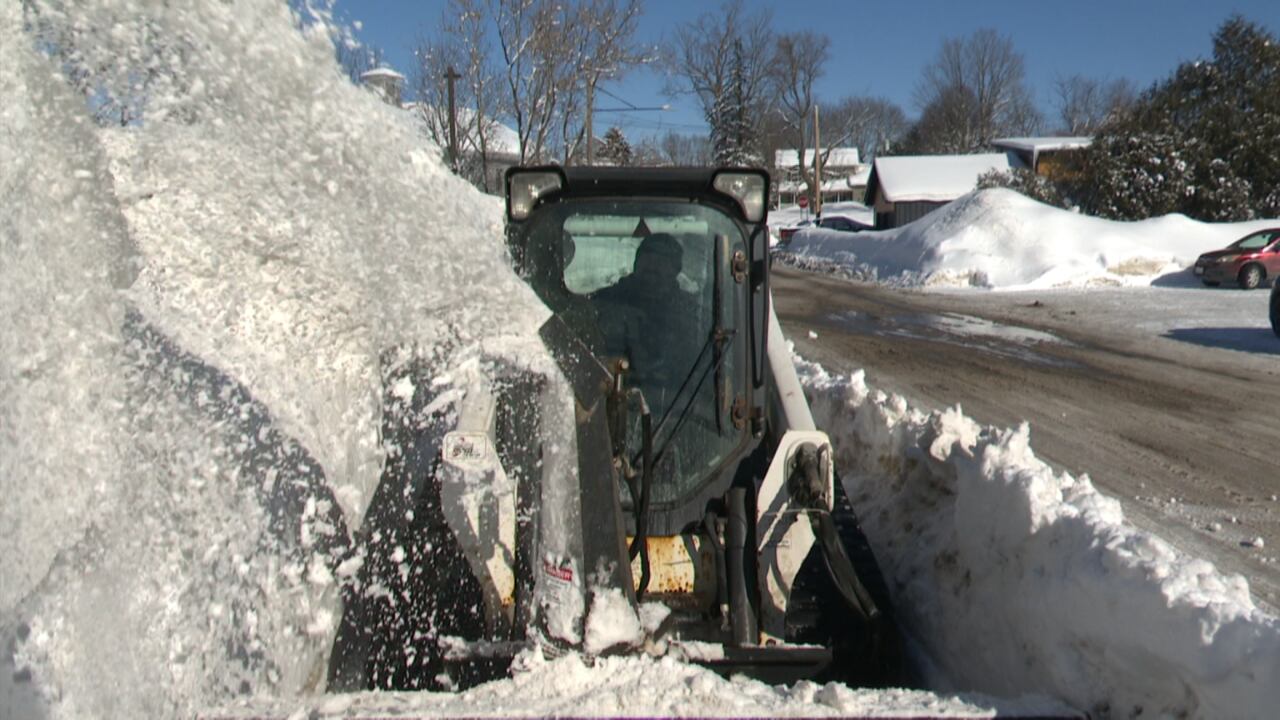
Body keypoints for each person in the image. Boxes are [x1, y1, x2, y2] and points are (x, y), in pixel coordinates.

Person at [592, 233, 701, 409]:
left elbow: (698, 365)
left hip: (676, 410)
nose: (653, 267)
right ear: (636, 264)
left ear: (675, 270)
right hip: (611, 398)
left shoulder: (691, 312)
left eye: (662, 262)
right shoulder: (607, 301)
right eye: (647, 260)